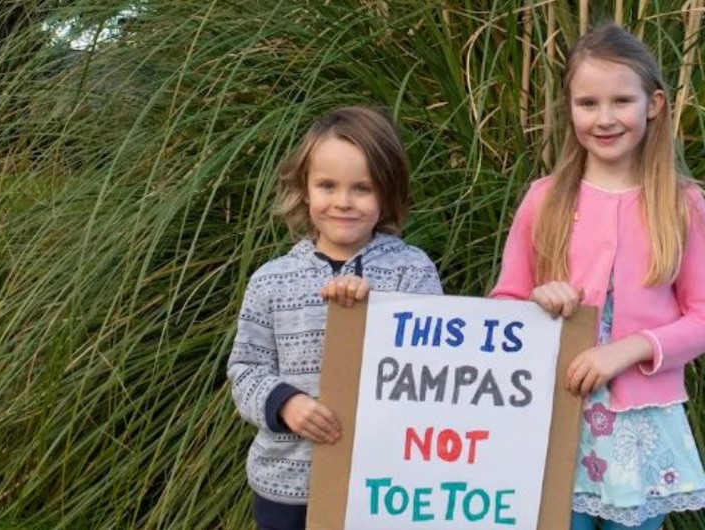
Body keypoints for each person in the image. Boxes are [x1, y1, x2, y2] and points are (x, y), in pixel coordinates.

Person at [490, 24, 705, 530]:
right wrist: (535, 300)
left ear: (652, 104)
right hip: (554, 417)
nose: (604, 119)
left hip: (638, 430)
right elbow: (504, 299)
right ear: (569, 108)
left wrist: (630, 348)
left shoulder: (684, 204)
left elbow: (701, 316)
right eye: (588, 103)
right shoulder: (544, 199)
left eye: (620, 101)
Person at [227, 106, 442, 530]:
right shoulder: (272, 280)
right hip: (287, 485)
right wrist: (286, 403)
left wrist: (375, 310)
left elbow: (432, 368)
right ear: (305, 189)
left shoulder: (412, 271)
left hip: (383, 484)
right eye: (328, 185)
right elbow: (245, 370)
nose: (343, 202)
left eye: (362, 188)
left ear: (387, 193)